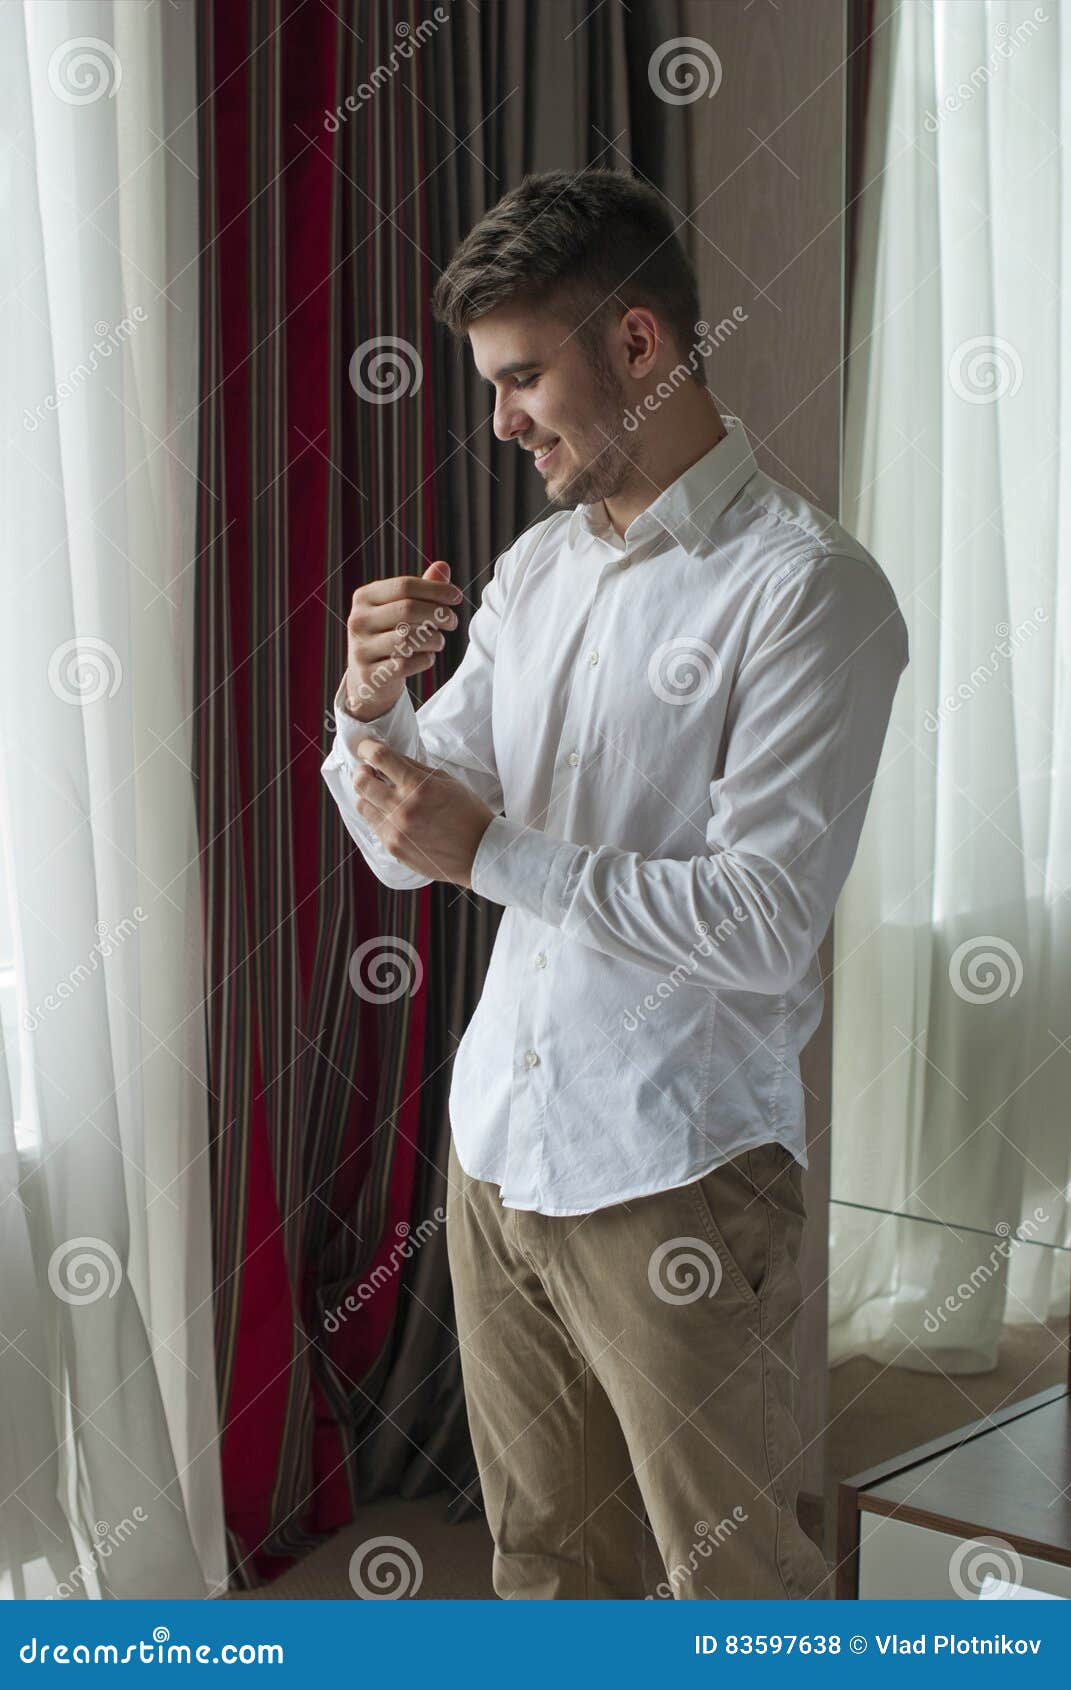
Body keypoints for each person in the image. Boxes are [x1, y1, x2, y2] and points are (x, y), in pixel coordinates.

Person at [320, 168, 909, 1600]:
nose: (501, 420)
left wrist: (493, 851)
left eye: (523, 377)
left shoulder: (809, 592)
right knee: (546, 1572)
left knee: (740, 1588)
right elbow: (403, 839)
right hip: (500, 1155)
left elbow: (763, 924)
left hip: (678, 1176)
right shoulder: (535, 572)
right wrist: (369, 704)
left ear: (639, 344)